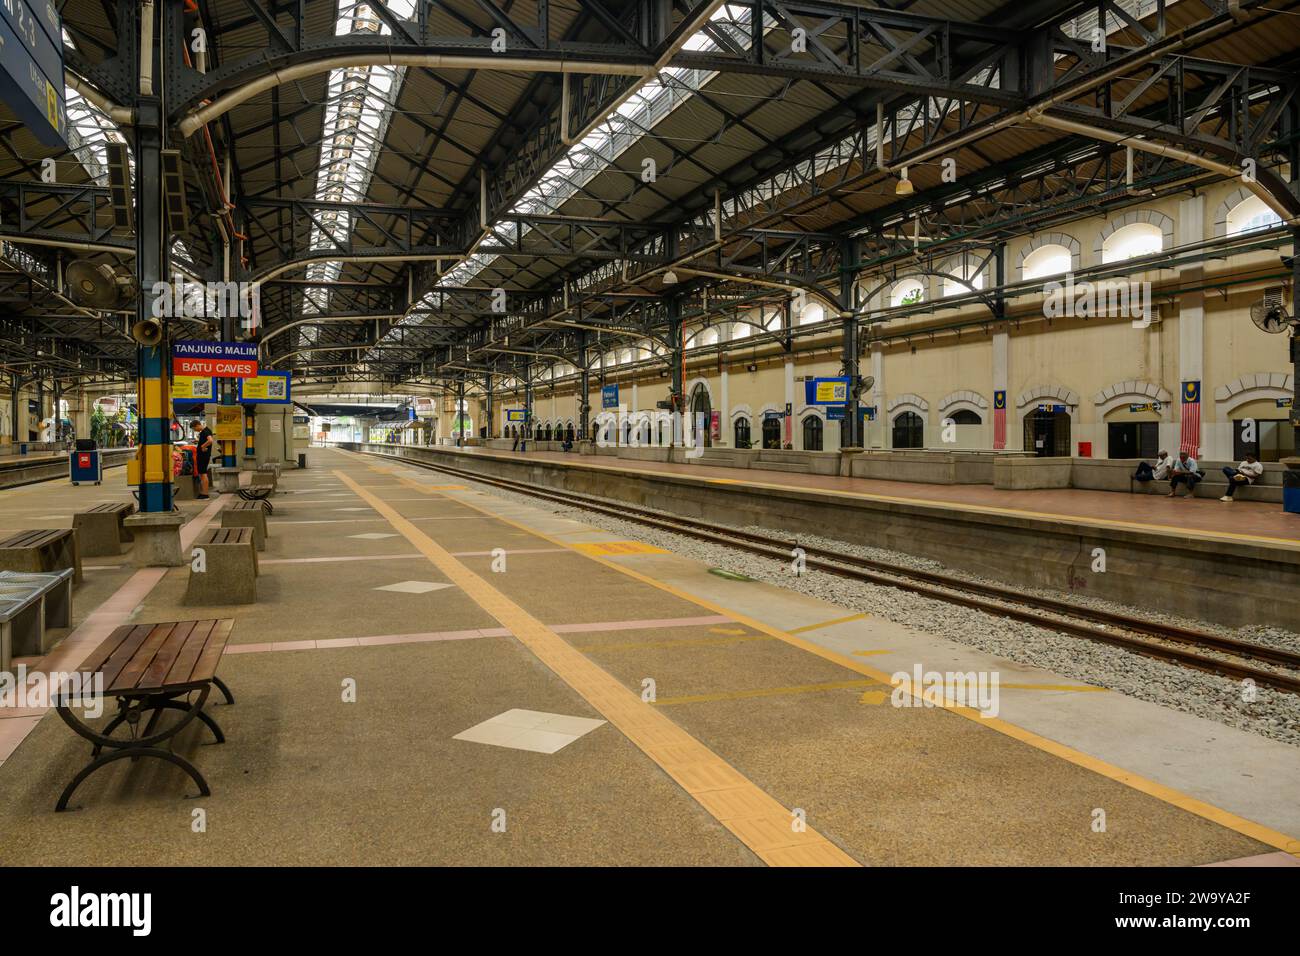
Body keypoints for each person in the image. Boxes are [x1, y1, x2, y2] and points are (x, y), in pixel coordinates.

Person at [191, 418, 214, 499]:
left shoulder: (205, 431)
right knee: (202, 473)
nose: (195, 430)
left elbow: (210, 440)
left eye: (194, 429)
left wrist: (203, 446)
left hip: (203, 456)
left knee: (203, 474)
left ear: (197, 425)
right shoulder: (205, 431)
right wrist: (199, 442)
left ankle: (205, 494)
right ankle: (203, 492)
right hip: (203, 456)